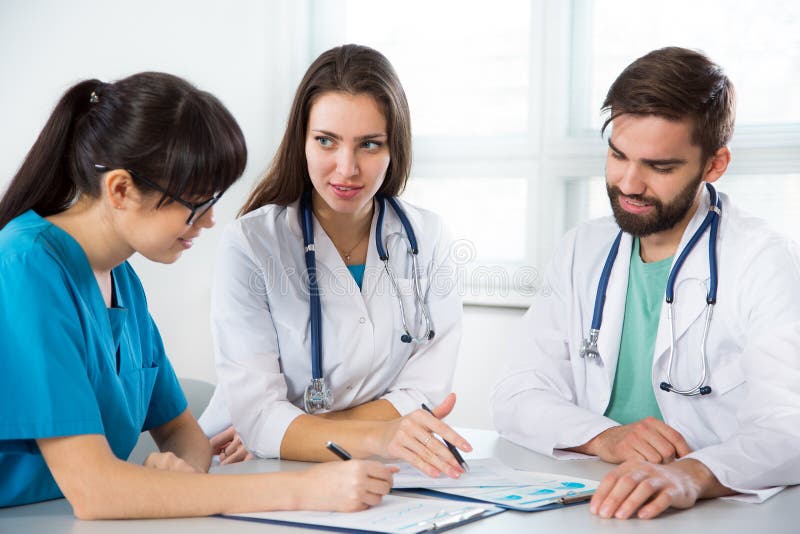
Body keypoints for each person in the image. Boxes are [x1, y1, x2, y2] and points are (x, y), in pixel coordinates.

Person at [0, 72, 395, 516]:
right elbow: (95, 492)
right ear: (121, 189)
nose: (208, 222)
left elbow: (187, 437)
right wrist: (305, 489)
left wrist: (176, 476)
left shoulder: (122, 279)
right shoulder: (25, 266)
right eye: (195, 204)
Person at [491, 47, 800, 519]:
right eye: (618, 155)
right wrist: (604, 436)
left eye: (660, 167)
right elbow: (516, 394)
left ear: (714, 164)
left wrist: (691, 473)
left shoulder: (761, 259)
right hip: (593, 499)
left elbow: (788, 427)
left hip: (711, 513)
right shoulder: (582, 249)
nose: (629, 183)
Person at [198, 44, 469, 478]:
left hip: (360, 468)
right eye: (326, 141)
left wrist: (295, 434)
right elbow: (257, 417)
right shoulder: (251, 244)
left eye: (369, 145)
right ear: (300, 141)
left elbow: (425, 390)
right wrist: (274, 432)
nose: (347, 169)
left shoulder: (427, 238)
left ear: (393, 148)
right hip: (245, 467)